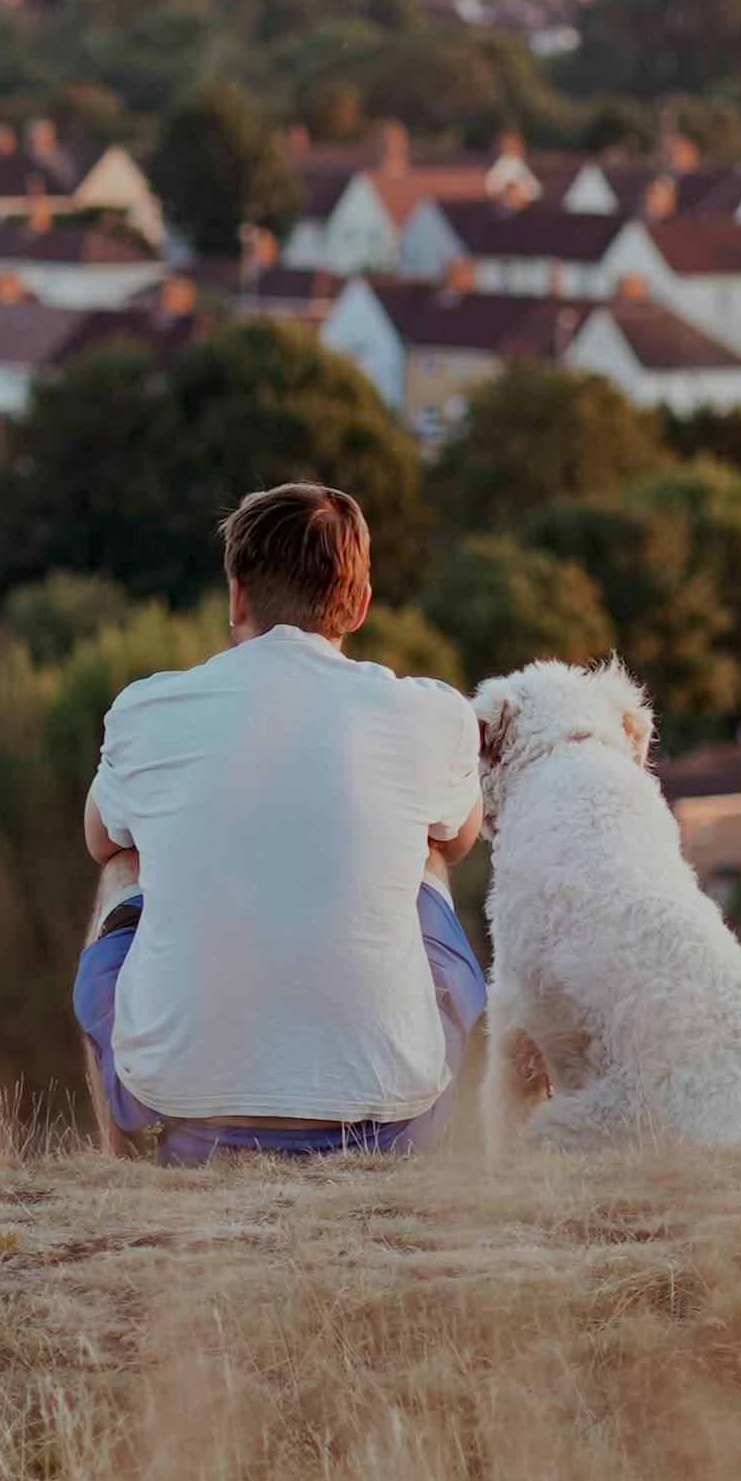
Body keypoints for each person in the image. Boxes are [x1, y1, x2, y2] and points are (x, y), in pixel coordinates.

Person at [73, 479, 487, 1161]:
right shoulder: (431, 713)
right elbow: (461, 836)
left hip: (185, 1125)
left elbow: (100, 842)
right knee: (427, 852)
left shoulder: (147, 709)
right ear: (357, 604)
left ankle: (127, 1157)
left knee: (125, 862)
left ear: (236, 596)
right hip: (388, 1130)